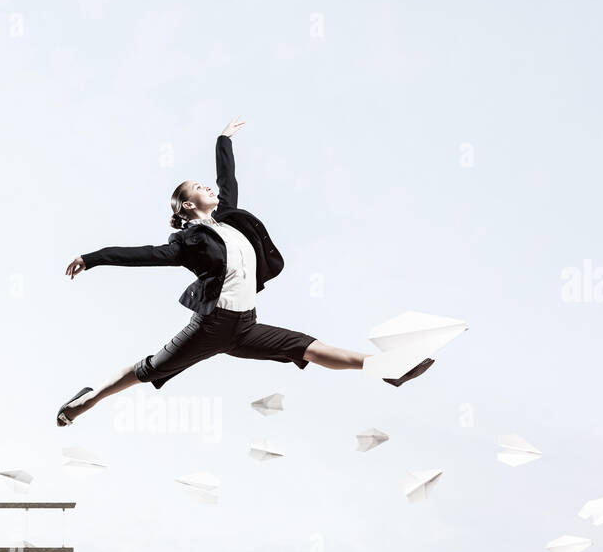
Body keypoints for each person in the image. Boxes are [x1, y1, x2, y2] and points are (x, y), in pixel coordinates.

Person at [58, 117, 432, 426]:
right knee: (150, 369)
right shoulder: (187, 242)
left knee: (309, 348)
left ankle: (387, 369)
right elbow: (141, 254)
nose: (210, 188)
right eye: (200, 187)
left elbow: (227, 181)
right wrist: (91, 258)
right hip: (211, 327)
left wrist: (223, 140)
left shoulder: (227, 219)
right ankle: (88, 401)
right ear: (189, 204)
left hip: (246, 327)